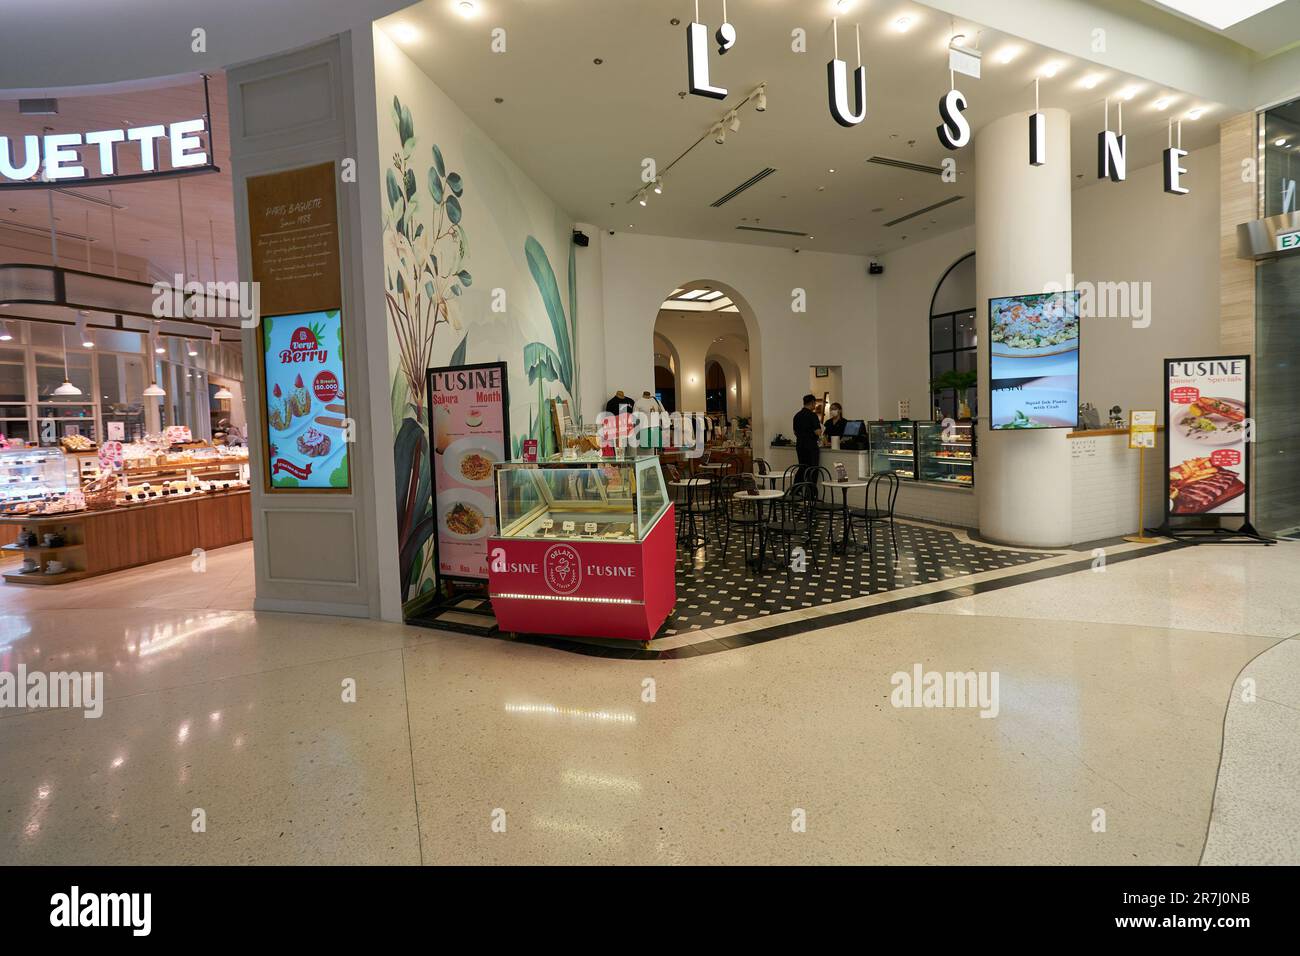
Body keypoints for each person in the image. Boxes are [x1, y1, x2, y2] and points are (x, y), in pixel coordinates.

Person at [793, 393, 822, 485]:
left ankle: (796, 490)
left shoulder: (797, 415)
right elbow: (818, 432)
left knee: (802, 468)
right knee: (812, 469)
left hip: (800, 445)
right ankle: (811, 492)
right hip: (811, 447)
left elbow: (794, 432)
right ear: (813, 403)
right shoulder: (812, 416)